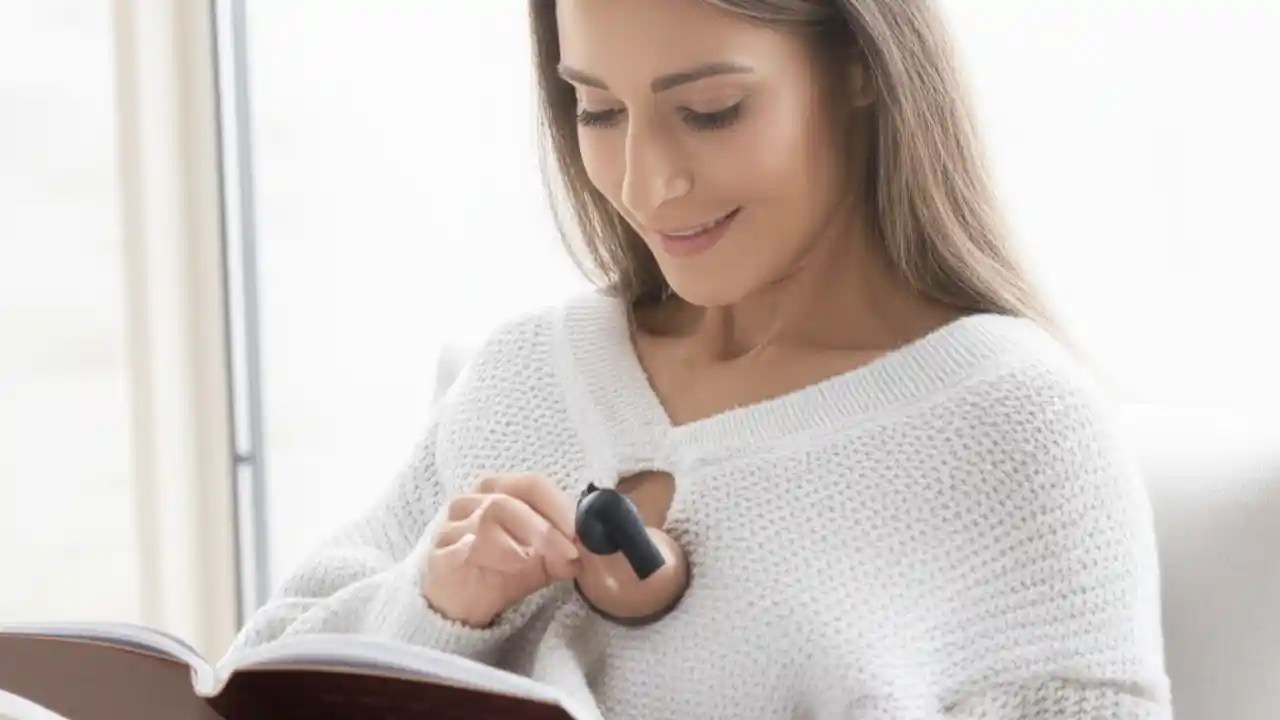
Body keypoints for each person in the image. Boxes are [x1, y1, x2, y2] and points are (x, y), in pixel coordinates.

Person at [224, 0, 1174, 717]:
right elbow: (250, 676)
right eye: (597, 111)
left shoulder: (1011, 426)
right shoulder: (529, 374)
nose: (646, 183)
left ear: (859, 66)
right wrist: (435, 603)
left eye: (711, 111)